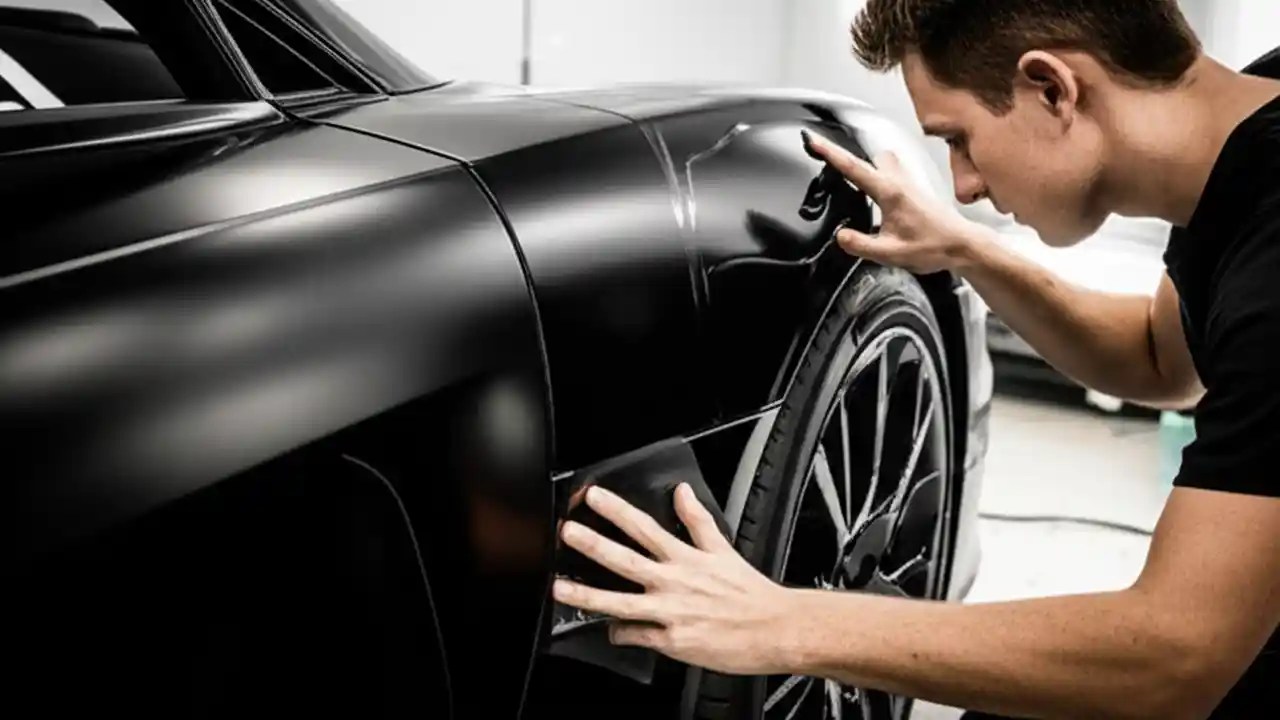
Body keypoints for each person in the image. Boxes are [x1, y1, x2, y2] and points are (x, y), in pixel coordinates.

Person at [550, 1, 1280, 718]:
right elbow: (1160, 358)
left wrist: (778, 622)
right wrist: (963, 248)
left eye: (959, 139)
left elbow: (1176, 658)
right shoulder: (1243, 131)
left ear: (1052, 89)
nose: (964, 185)